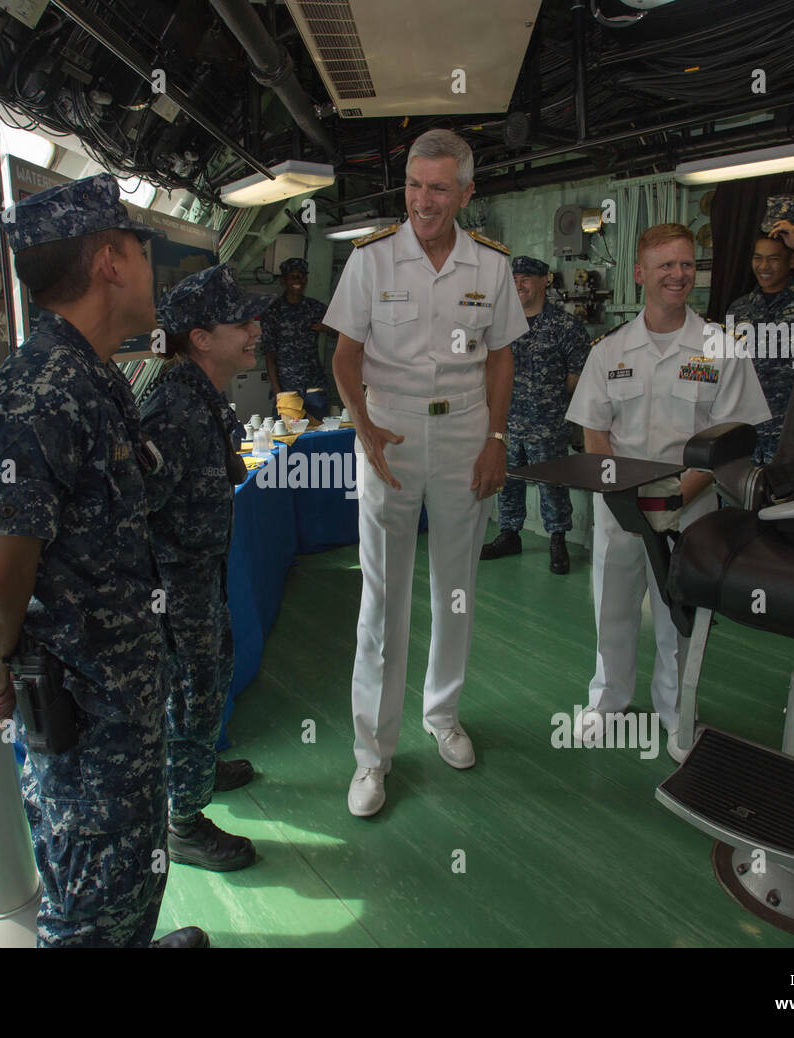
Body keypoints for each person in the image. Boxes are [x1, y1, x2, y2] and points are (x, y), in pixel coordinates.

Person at [0, 174, 205, 948]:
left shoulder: (94, 379)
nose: (148, 267)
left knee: (132, 870)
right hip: (86, 716)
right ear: (109, 260)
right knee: (89, 901)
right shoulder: (37, 397)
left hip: (123, 693)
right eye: (140, 248)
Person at [324, 128, 529, 817]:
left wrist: (496, 437)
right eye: (414, 185)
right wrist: (361, 424)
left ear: (466, 193)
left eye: (439, 187)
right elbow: (345, 359)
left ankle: (442, 716)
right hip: (390, 430)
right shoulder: (372, 259)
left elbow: (501, 356)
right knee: (382, 598)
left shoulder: (490, 266)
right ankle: (372, 756)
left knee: (456, 588)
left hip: (466, 427)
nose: (423, 200)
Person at [566, 223, 770, 761]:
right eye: (666, 265)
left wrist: (677, 494)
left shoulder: (721, 349)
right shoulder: (609, 351)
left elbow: (728, 441)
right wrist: (625, 494)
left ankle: (677, 711)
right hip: (619, 506)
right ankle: (607, 700)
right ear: (640, 274)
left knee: (679, 615)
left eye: (687, 265)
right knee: (612, 605)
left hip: (691, 506)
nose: (679, 275)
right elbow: (594, 430)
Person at [143, 264, 271, 872]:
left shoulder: (201, 395)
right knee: (192, 695)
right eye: (240, 321)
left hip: (199, 574)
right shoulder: (172, 410)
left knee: (207, 683)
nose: (255, 330)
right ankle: (182, 824)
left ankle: (196, 770)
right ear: (199, 337)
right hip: (175, 586)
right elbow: (136, 513)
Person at [481, 255, 588, 573]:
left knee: (553, 484)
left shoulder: (564, 325)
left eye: (527, 278)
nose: (519, 284)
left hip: (548, 423)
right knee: (507, 480)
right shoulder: (498, 325)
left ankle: (558, 539)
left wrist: (547, 401)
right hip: (506, 421)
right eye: (514, 279)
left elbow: (578, 375)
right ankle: (509, 533)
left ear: (545, 281)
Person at [726, 217, 794, 463]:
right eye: (758, 258)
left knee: (791, 499)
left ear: (792, 261)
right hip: (749, 430)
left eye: (773, 259)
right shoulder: (740, 308)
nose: (763, 266)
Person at [262, 256, 333, 421]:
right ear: (283, 280)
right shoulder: (273, 312)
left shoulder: (314, 308)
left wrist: (326, 328)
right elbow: (269, 355)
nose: (298, 280)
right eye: (292, 276)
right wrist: (277, 391)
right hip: (287, 387)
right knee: (289, 437)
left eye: (301, 276)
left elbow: (339, 332)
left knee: (320, 430)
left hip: (314, 384)